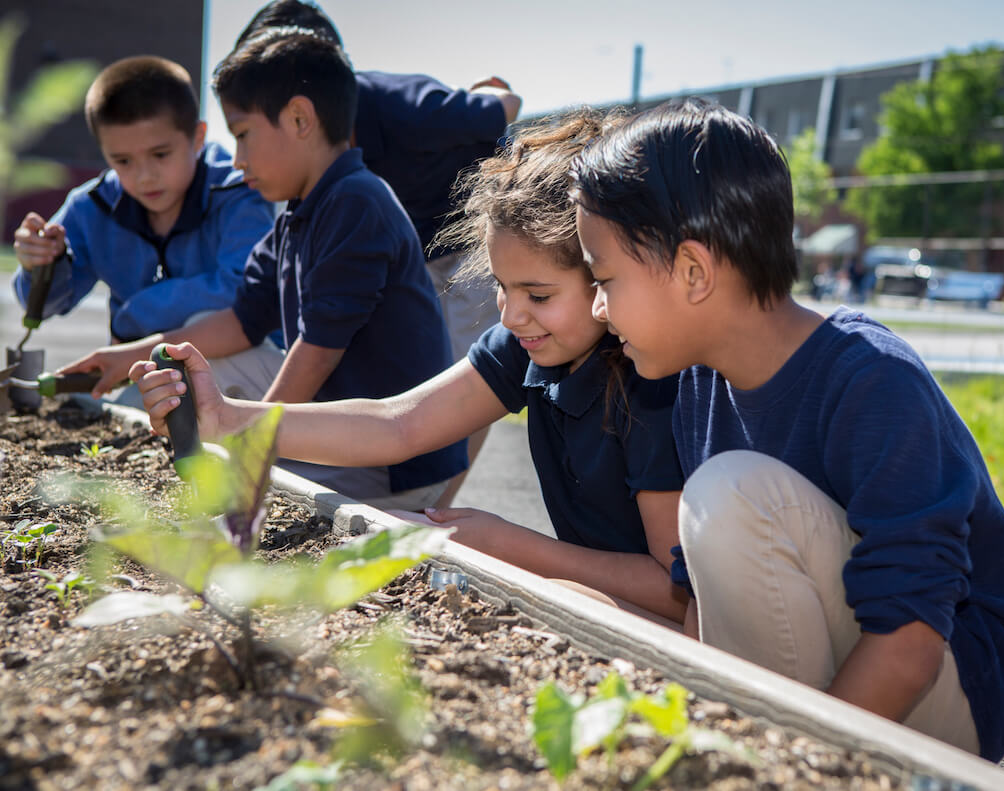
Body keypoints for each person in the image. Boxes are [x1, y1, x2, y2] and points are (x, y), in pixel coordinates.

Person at [569, 98, 1004, 761]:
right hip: (860, 660)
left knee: (728, 494)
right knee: (713, 511)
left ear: (693, 271)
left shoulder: (873, 381)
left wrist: (800, 771)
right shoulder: (698, 387)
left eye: (605, 279)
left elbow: (910, 640)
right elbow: (707, 599)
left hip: (949, 685)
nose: (598, 306)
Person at [131, 109, 689, 625]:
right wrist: (225, 416)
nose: (511, 314)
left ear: (607, 272)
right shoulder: (526, 344)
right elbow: (398, 424)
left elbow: (673, 590)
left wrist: (508, 544)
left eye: (538, 295)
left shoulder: (653, 384)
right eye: (501, 286)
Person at [66, 30, 465, 511]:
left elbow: (315, 354)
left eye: (242, 135)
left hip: (391, 462)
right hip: (342, 426)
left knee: (234, 486)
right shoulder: (300, 212)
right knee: (196, 343)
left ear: (299, 119)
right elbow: (239, 322)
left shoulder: (355, 202)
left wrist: (250, 456)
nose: (236, 160)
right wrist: (125, 355)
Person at [235, 0, 522, 506]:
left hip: (463, 246)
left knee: (466, 387)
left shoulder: (398, 104)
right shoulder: (314, 191)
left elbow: (505, 105)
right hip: (400, 246)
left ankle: (427, 508)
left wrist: (490, 91)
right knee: (402, 379)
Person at [10, 56, 277, 401]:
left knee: (202, 328)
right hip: (148, 373)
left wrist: (135, 316)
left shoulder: (239, 191)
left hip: (253, 375)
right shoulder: (91, 206)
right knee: (130, 411)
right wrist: (39, 263)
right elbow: (42, 308)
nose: (144, 176)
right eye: (122, 161)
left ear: (197, 137)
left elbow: (243, 294)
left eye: (161, 154)